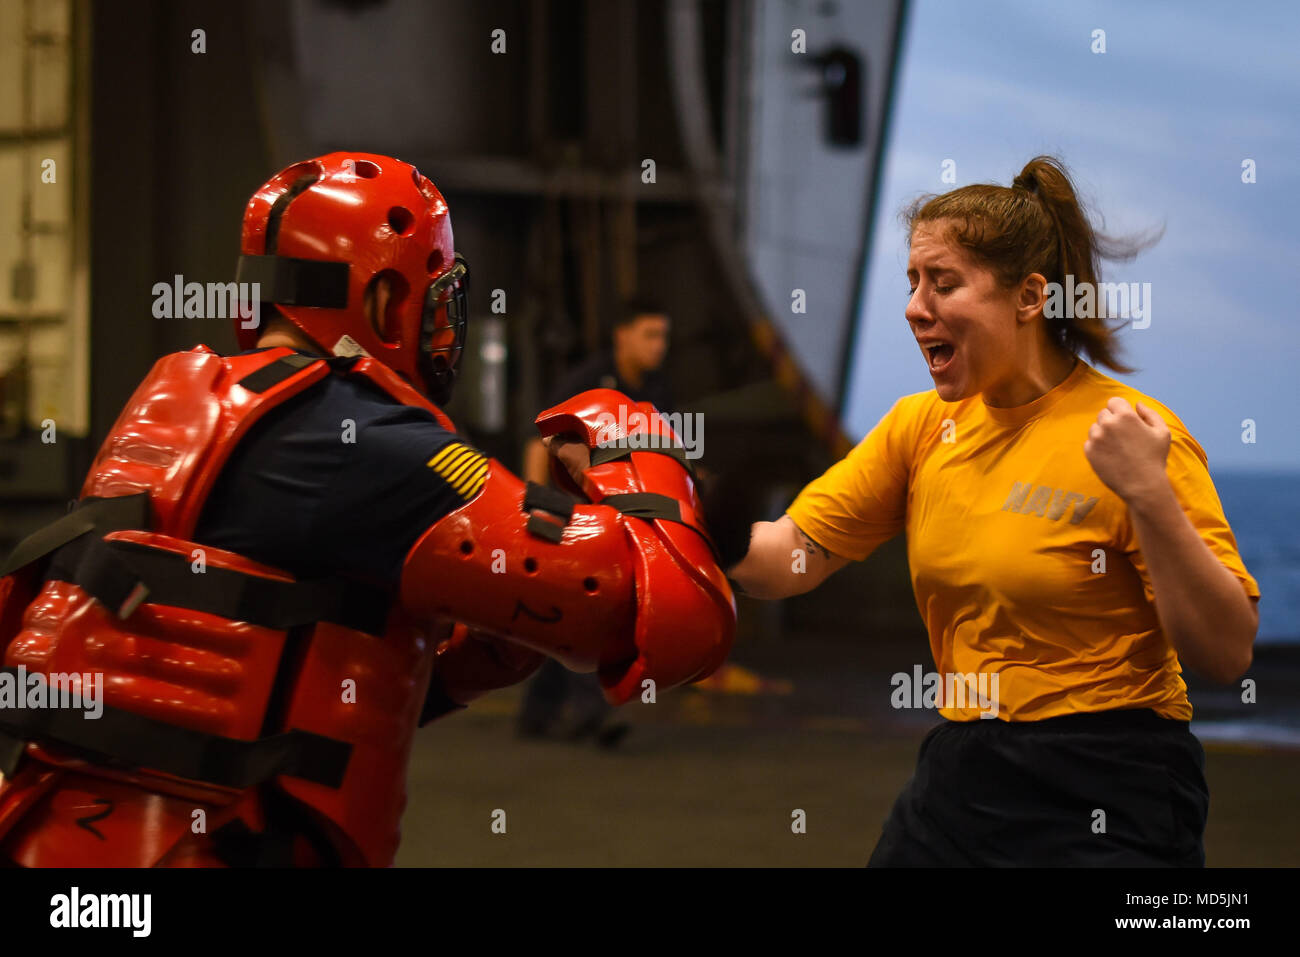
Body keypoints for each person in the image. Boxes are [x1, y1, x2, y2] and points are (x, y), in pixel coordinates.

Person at [0, 152, 734, 867]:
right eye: (435, 298)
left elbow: (248, 645)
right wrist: (638, 450)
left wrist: (459, 663)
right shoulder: (366, 438)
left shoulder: (192, 396)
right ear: (385, 302)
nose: (442, 325)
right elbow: (676, 616)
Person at [723, 156, 1259, 866]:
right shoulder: (920, 429)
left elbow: (1224, 651)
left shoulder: (1133, 434)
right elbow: (787, 559)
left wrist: (1150, 496)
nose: (916, 306)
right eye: (912, 282)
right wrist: (690, 516)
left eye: (943, 282)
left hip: (1110, 777)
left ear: (1030, 296)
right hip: (963, 770)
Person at [518, 302, 674, 746]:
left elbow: (665, 451)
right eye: (649, 334)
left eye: (663, 337)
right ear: (621, 335)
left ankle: (539, 712)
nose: (658, 346)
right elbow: (540, 439)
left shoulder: (657, 390)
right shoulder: (588, 380)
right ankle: (590, 713)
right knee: (591, 611)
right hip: (573, 513)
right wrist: (537, 506)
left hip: (622, 515)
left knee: (577, 614)